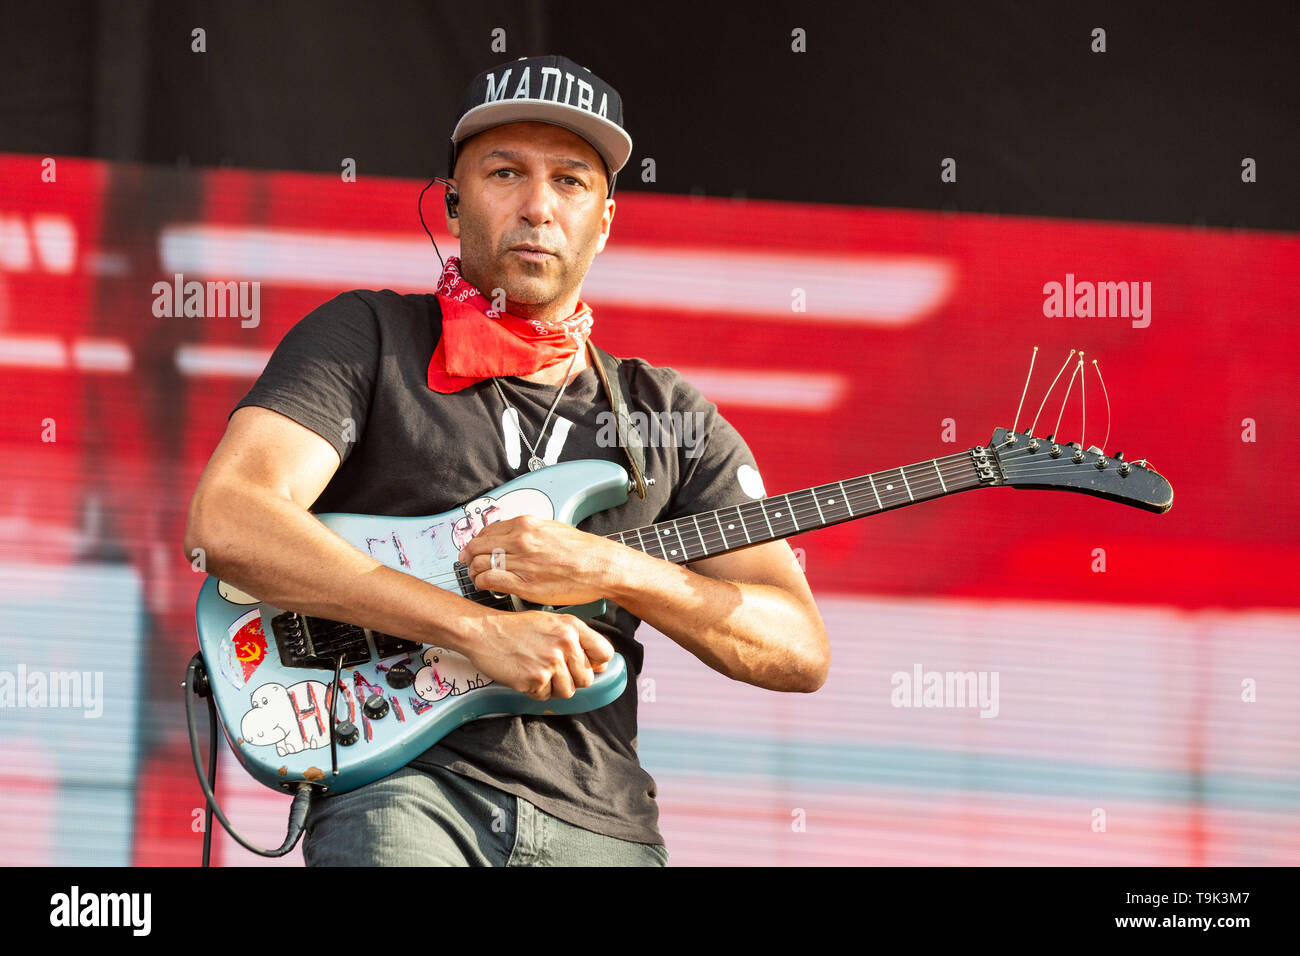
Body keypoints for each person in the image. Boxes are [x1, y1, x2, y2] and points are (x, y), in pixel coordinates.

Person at [183, 54, 829, 867]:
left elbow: (799, 649)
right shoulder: (367, 339)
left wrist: (617, 570)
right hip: (404, 789)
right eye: (504, 172)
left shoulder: (665, 415)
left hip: (603, 819)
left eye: (570, 181)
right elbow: (228, 521)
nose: (537, 206)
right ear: (453, 202)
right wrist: (474, 630)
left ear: (605, 219)